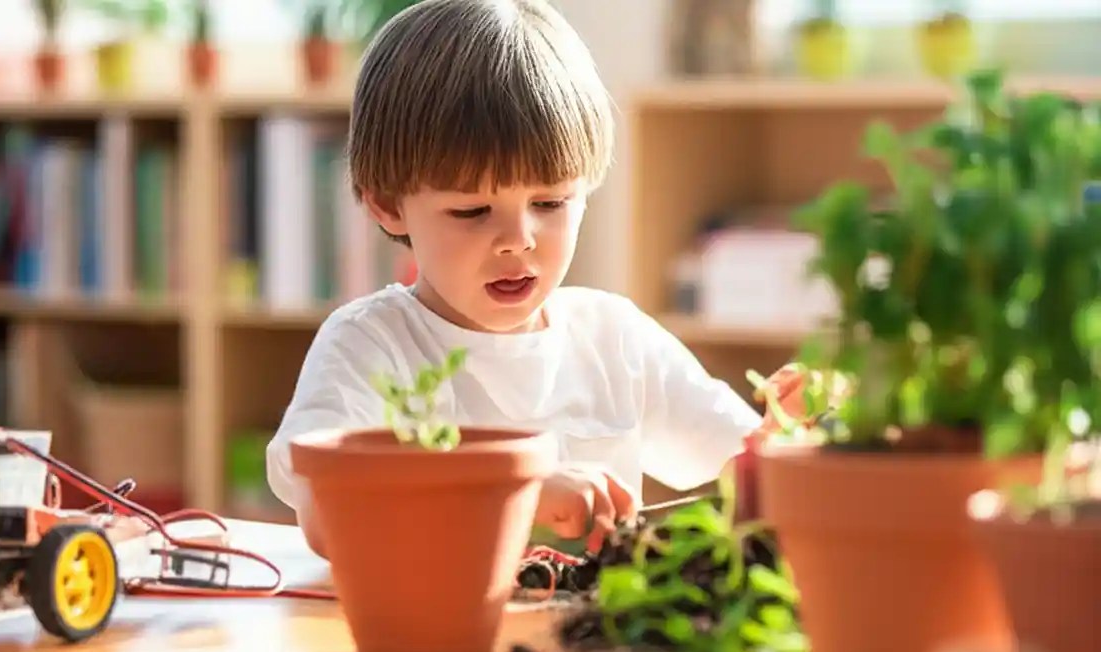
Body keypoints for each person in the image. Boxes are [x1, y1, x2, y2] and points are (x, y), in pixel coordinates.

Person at [265, 0, 806, 559]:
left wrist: (789, 435)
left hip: (588, 617)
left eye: (550, 202)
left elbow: (743, 467)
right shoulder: (368, 345)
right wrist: (511, 493)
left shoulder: (614, 338)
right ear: (387, 204)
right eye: (472, 211)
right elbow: (326, 512)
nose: (518, 239)